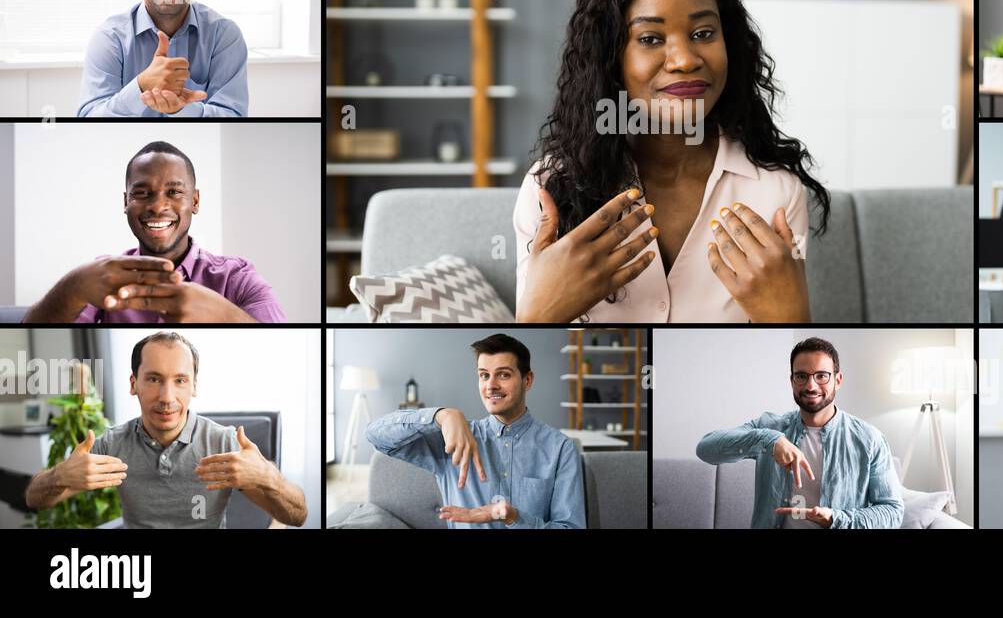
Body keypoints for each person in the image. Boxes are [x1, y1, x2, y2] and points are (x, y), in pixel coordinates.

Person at [511, 0, 830, 322]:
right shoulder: (550, 188)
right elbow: (529, 340)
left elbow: (786, 343)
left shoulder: (775, 192)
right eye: (650, 39)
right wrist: (540, 314)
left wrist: (791, 315)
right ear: (610, 58)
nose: (684, 60)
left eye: (703, 33)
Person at [25, 332, 307, 528]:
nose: (167, 397)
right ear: (134, 384)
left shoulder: (224, 443)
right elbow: (34, 498)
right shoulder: (112, 444)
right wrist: (58, 476)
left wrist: (268, 475)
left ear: (194, 386)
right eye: (154, 379)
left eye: (180, 380)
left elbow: (297, 516)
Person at [22, 141, 285, 324]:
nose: (158, 206)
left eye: (174, 192)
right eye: (142, 193)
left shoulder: (237, 278)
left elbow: (282, 347)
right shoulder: (103, 276)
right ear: (126, 202)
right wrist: (72, 287)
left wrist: (223, 315)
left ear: (195, 201)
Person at [365, 334, 584, 529]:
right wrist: (442, 415)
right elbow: (375, 435)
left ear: (527, 380)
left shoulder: (560, 448)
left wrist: (514, 517)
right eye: (484, 375)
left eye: (503, 375)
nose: (491, 385)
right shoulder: (451, 438)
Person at [697, 337, 904, 529]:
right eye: (802, 376)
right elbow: (705, 449)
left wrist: (835, 519)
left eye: (821, 376)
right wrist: (768, 440)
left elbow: (893, 511)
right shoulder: (770, 427)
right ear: (792, 381)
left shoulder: (870, 439)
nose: (811, 386)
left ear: (838, 380)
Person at [78, 0, 249, 118]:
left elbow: (233, 116)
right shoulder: (109, 37)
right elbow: (89, 116)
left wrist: (181, 110)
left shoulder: (224, 35)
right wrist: (141, 85)